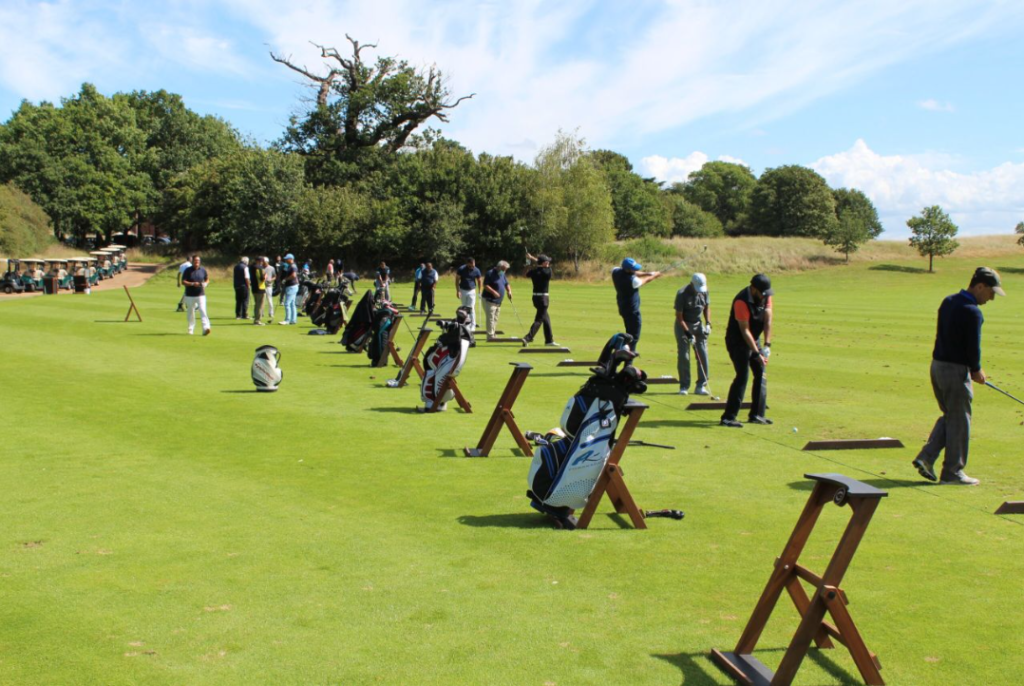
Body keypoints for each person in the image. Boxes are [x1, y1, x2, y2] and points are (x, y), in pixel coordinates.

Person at [912, 268, 1005, 486]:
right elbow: (973, 346)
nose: (991, 298)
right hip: (954, 370)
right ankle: (952, 473)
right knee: (960, 420)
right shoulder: (972, 311)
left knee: (952, 416)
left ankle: (926, 457)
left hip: (937, 366)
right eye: (991, 292)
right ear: (980, 286)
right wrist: (976, 369)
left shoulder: (949, 301)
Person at [720, 274, 773, 428]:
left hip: (754, 338)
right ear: (753, 288)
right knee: (742, 376)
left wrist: (767, 346)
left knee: (760, 372)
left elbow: (768, 320)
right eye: (762, 292)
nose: (765, 296)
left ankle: (756, 415)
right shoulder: (741, 301)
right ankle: (728, 417)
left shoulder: (766, 295)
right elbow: (745, 331)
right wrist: (756, 353)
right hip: (737, 341)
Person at [611, 258, 662, 353]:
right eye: (633, 269)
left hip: (623, 308)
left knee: (629, 332)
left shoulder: (615, 271)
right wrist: (654, 276)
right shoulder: (633, 281)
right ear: (628, 270)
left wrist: (648, 273)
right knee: (634, 337)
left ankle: (622, 347)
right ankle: (627, 361)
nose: (635, 270)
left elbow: (635, 273)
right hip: (632, 311)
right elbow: (646, 280)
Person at [675, 273, 712, 395]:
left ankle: (701, 386)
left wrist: (708, 323)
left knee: (703, 354)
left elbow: (706, 307)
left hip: (698, 325)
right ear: (691, 284)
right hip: (683, 326)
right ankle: (684, 386)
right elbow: (680, 318)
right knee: (684, 356)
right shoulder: (682, 294)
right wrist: (688, 334)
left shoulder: (704, 290)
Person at [521, 253, 558, 347]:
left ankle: (549, 340)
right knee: (539, 319)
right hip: (543, 299)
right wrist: (532, 258)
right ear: (545, 263)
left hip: (535, 298)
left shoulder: (534, 271)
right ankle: (527, 338)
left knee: (546, 318)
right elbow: (540, 264)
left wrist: (528, 261)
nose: (549, 263)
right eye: (547, 262)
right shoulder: (547, 271)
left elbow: (525, 274)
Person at [181, 255, 211, 336]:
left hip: (200, 294)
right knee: (191, 312)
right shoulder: (188, 270)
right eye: (195, 260)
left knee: (203, 311)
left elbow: (207, 278)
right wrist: (192, 283)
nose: (197, 262)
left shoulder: (203, 270)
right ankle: (191, 329)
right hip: (190, 295)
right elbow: (183, 282)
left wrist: (205, 283)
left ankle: (206, 328)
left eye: (198, 260)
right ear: (193, 261)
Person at [482, 260, 513, 341]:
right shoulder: (490, 273)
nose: (504, 271)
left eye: (505, 269)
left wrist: (509, 291)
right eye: (503, 269)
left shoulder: (502, 274)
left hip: (498, 302)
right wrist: (494, 292)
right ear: (498, 267)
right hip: (489, 300)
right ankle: (490, 336)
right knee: (490, 318)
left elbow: (506, 284)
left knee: (495, 319)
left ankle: (493, 334)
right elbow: (485, 285)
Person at [455, 257, 483, 331]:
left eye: (473, 265)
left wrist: (480, 291)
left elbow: (479, 281)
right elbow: (457, 280)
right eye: (471, 265)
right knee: (464, 308)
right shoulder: (461, 269)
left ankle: (473, 325)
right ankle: (466, 324)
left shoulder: (476, 270)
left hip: (472, 290)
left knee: (471, 308)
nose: (473, 267)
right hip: (463, 290)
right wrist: (458, 291)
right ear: (467, 263)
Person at [280, 254, 299, 325]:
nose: (285, 260)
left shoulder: (293, 266)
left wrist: (285, 279)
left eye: (287, 259)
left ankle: (287, 320)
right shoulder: (290, 266)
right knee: (292, 304)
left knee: (287, 303)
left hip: (292, 286)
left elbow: (294, 275)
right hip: (293, 286)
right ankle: (293, 320)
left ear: (291, 259)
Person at [250, 257, 267, 325]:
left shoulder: (251, 267)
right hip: (260, 288)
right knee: (260, 305)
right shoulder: (259, 268)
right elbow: (262, 278)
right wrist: (265, 275)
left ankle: (256, 319)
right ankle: (257, 320)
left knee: (257, 304)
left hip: (254, 288)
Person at [263, 256, 276, 322]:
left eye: (264, 262)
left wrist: (271, 280)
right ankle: (261, 313)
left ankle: (271, 313)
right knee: (262, 301)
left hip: (269, 286)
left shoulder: (271, 268)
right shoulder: (261, 267)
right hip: (262, 286)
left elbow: (274, 276)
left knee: (269, 300)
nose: (263, 263)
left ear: (267, 262)